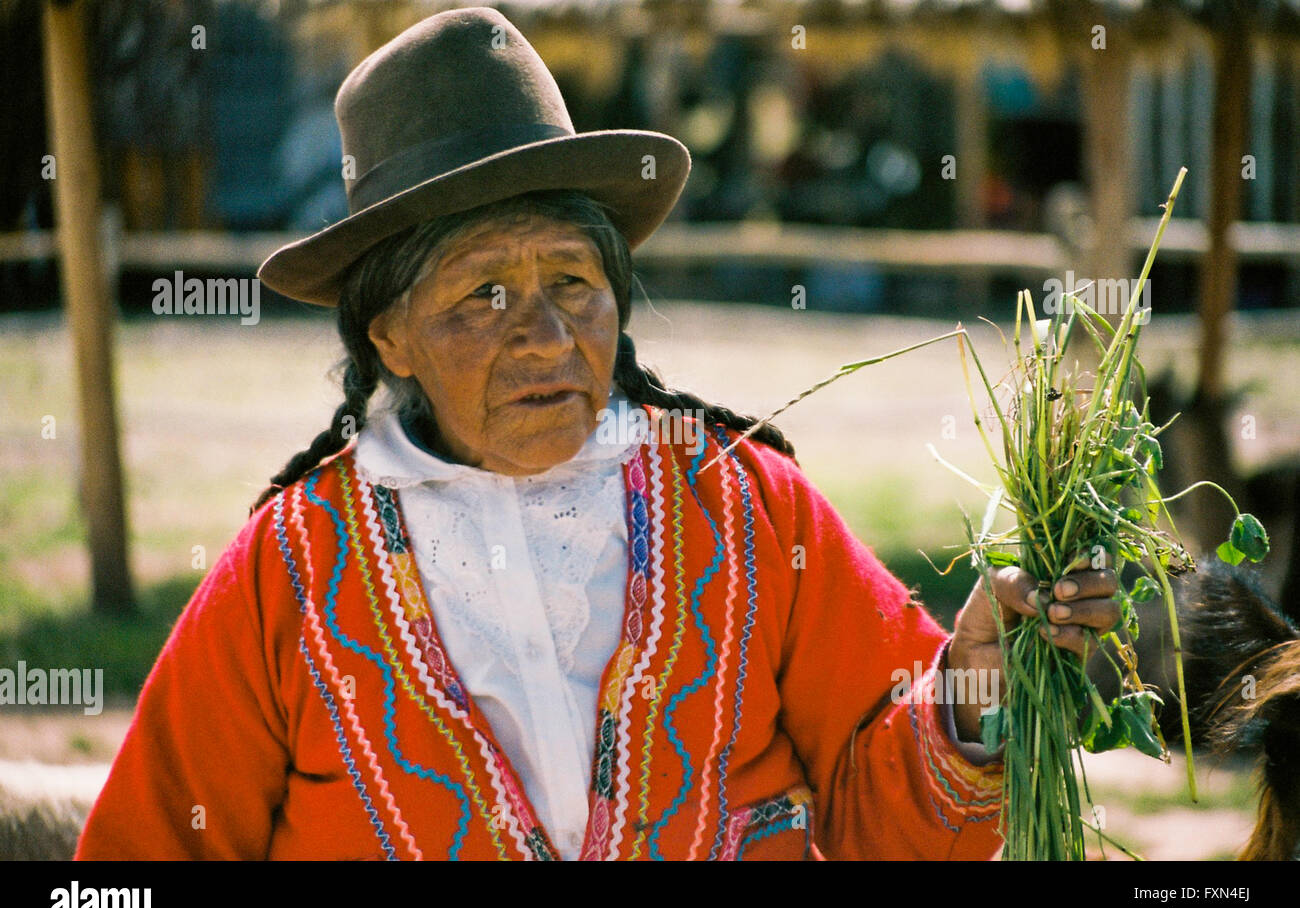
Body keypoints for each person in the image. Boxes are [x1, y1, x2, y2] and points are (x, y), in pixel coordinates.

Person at [75, 6, 1118, 861]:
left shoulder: (747, 509)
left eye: (572, 282)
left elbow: (884, 816)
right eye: (482, 294)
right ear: (389, 334)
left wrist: (974, 685)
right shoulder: (289, 575)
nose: (543, 335)